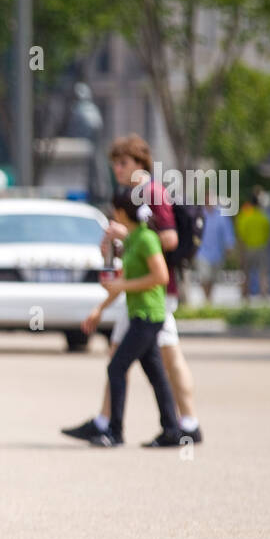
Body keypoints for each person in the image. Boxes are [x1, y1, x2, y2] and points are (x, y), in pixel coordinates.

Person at [61, 135, 202, 445]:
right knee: (152, 359)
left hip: (155, 292)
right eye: (115, 163)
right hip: (143, 293)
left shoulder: (150, 192)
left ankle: (119, 425)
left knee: (141, 359)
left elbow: (168, 240)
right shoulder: (133, 195)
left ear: (141, 164)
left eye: (123, 162)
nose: (117, 169)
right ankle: (176, 424)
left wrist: (128, 233)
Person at [78, 188, 182, 447]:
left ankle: (115, 432)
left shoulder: (146, 239)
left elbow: (161, 277)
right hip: (139, 313)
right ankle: (172, 429)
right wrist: (100, 307)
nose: (113, 217)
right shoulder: (134, 239)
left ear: (123, 211)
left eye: (115, 211)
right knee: (155, 373)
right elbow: (123, 280)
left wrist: (122, 287)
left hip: (149, 314)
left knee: (117, 367)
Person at [196, 200, 235, 303]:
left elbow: (227, 232)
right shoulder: (199, 214)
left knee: (213, 278)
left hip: (217, 253)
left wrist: (229, 246)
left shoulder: (221, 215)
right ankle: (207, 298)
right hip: (201, 252)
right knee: (204, 277)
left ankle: (209, 297)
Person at [235, 193, 270, 298]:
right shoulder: (264, 216)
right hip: (261, 247)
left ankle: (245, 296)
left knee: (246, 273)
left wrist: (240, 251)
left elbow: (240, 235)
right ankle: (264, 295)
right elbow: (268, 233)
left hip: (248, 248)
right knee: (263, 274)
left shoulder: (245, 216)